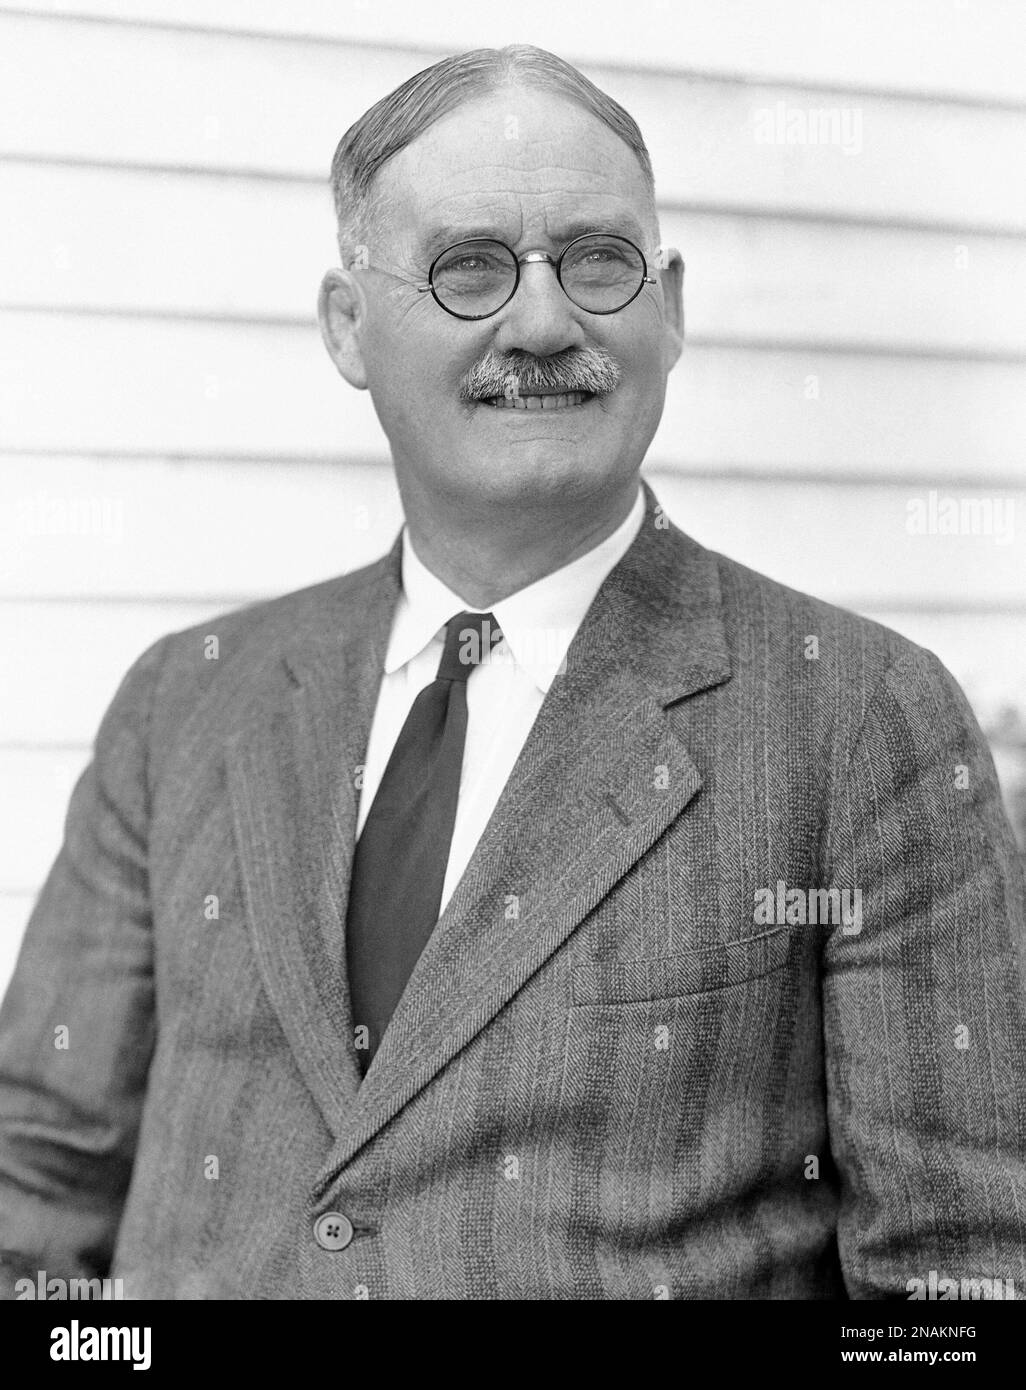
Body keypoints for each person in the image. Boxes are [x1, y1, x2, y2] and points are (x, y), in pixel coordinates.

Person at [1, 44, 1023, 1301]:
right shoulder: (185, 700)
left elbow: (961, 1281)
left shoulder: (861, 721)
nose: (544, 324)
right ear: (347, 325)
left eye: (598, 261)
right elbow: (36, 1185)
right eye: (469, 268)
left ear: (671, 306)